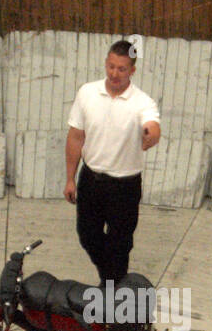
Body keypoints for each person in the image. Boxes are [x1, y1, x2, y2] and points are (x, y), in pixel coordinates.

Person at [64, 40, 161, 284]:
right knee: (87, 235)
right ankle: (114, 281)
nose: (114, 73)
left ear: (132, 71)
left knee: (120, 244)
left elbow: (152, 125)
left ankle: (113, 293)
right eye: (110, 66)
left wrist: (151, 134)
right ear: (106, 64)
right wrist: (70, 179)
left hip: (124, 187)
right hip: (91, 180)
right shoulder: (87, 92)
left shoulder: (142, 102)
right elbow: (76, 137)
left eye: (121, 69)